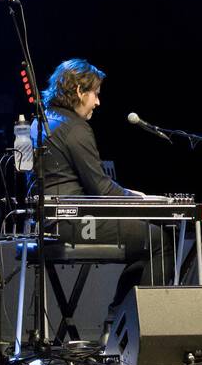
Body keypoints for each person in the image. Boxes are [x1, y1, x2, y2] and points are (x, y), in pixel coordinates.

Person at [27, 58, 172, 343]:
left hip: (49, 223)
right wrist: (142, 199)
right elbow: (102, 189)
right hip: (73, 223)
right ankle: (129, 330)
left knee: (148, 242)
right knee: (160, 241)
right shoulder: (76, 128)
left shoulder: (42, 121)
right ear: (80, 91)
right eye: (95, 93)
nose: (98, 102)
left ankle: (116, 323)